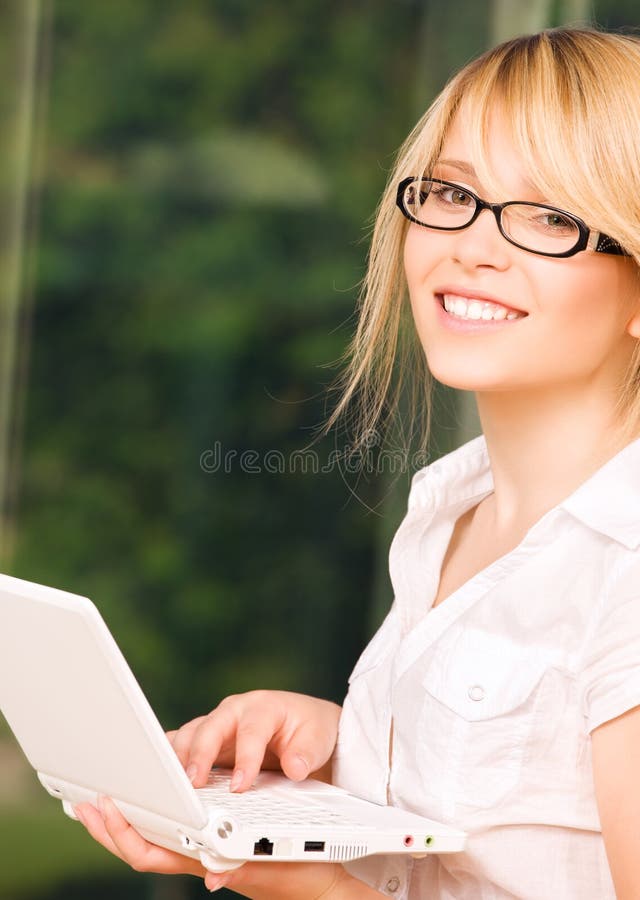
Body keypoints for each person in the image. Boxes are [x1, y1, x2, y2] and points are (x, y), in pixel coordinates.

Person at [76, 26, 640, 899]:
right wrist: (343, 755)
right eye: (452, 192)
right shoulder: (454, 513)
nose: (474, 245)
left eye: (551, 216)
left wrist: (313, 888)